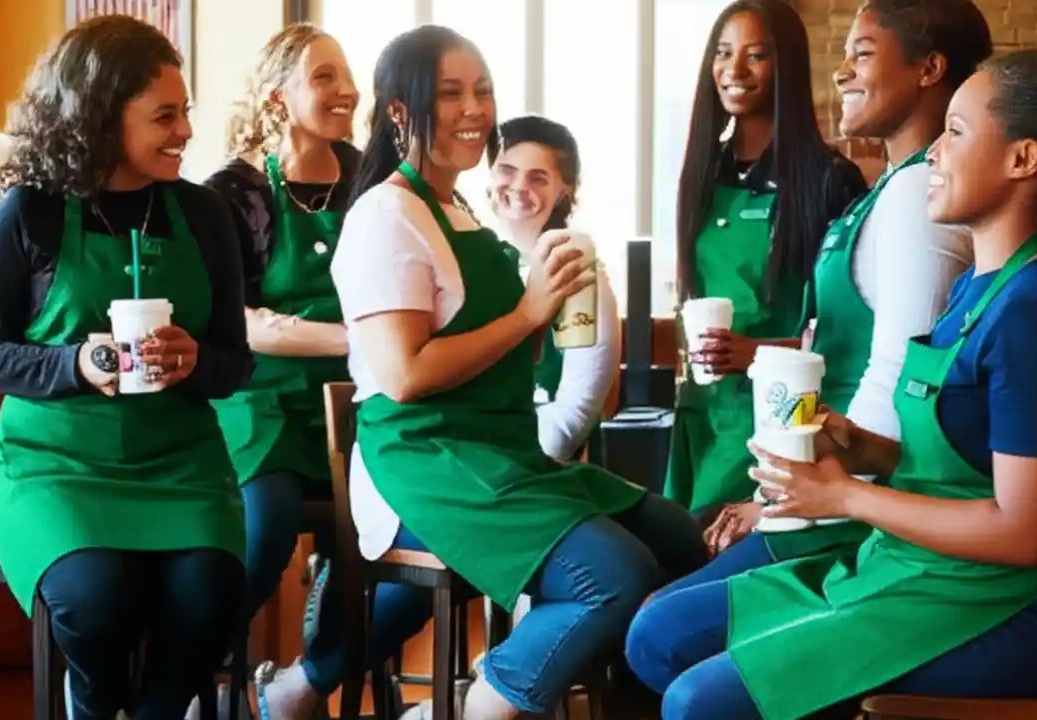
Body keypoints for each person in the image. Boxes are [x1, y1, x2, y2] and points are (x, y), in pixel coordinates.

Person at [627, 47, 1037, 720]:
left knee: (698, 702)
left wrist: (846, 496)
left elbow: (1024, 532)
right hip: (920, 568)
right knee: (656, 638)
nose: (933, 152)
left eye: (957, 132)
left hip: (1007, 605)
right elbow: (961, 459)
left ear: (1023, 159)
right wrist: (857, 446)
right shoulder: (977, 287)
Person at [329, 25, 707, 720]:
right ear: (399, 111)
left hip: (502, 451)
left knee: (680, 542)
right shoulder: (385, 215)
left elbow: (507, 359)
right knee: (614, 579)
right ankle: (477, 704)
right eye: (451, 93)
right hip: (424, 459)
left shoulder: (458, 210)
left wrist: (558, 308)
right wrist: (531, 312)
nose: (475, 108)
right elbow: (404, 372)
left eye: (482, 90)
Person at [0, 15, 252, 720]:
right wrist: (76, 363)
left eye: (185, 112)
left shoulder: (204, 214)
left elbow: (234, 363)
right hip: (52, 466)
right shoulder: (29, 212)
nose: (185, 131)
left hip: (178, 465)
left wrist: (195, 360)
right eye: (164, 116)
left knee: (211, 600)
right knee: (96, 603)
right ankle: (95, 701)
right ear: (99, 115)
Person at [682, 0, 988, 583]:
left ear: (929, 70)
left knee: (655, 632)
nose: (842, 71)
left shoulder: (914, 196)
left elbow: (895, 382)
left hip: (852, 498)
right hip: (820, 467)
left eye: (862, 54)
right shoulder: (889, 191)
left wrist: (789, 498)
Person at [202, 23, 360, 718]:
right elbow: (243, 322)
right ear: (277, 97)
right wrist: (363, 340)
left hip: (361, 404)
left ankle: (303, 682)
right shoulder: (230, 194)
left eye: (346, 75)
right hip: (260, 404)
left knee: (369, 555)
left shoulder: (370, 176)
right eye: (325, 76)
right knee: (265, 530)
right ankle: (192, 672)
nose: (347, 90)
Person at [664, 0, 868, 518]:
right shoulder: (703, 174)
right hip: (704, 411)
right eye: (723, 53)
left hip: (777, 411)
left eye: (756, 55)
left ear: (788, 66)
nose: (734, 71)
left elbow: (846, 333)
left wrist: (757, 351)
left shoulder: (828, 181)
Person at [488, 114, 621, 462]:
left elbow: (577, 410)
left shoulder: (575, 266)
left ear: (566, 189)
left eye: (538, 178)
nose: (519, 187)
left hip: (550, 472)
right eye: (507, 170)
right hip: (480, 463)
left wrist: (520, 474)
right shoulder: (475, 256)